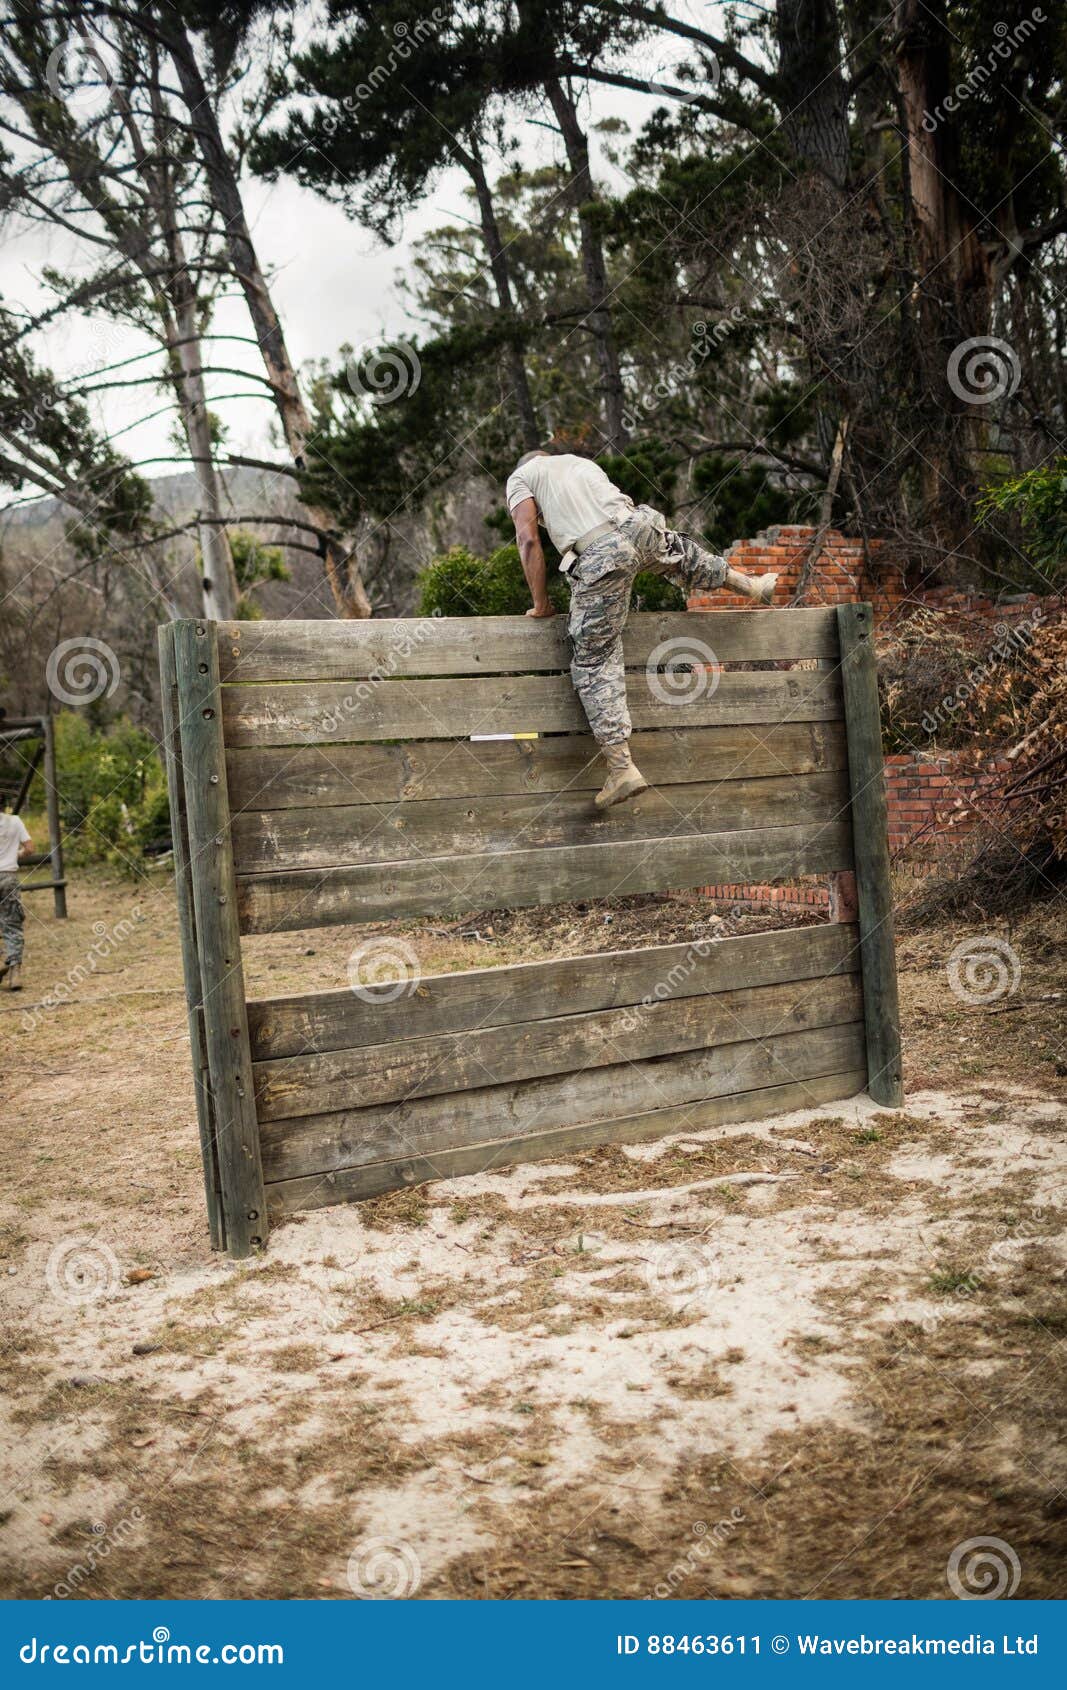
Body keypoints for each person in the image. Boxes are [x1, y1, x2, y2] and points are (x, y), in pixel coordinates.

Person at [506, 449, 778, 808]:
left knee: (593, 658)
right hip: (639, 525)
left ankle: (622, 769)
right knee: (677, 552)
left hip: (601, 552)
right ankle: (752, 586)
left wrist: (541, 605)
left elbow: (527, 540)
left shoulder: (522, 477)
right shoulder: (576, 462)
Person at [0, 807, 32, 990]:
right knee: (12, 924)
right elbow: (29, 848)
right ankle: (14, 973)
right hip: (9, 878)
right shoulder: (15, 821)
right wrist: (15, 855)